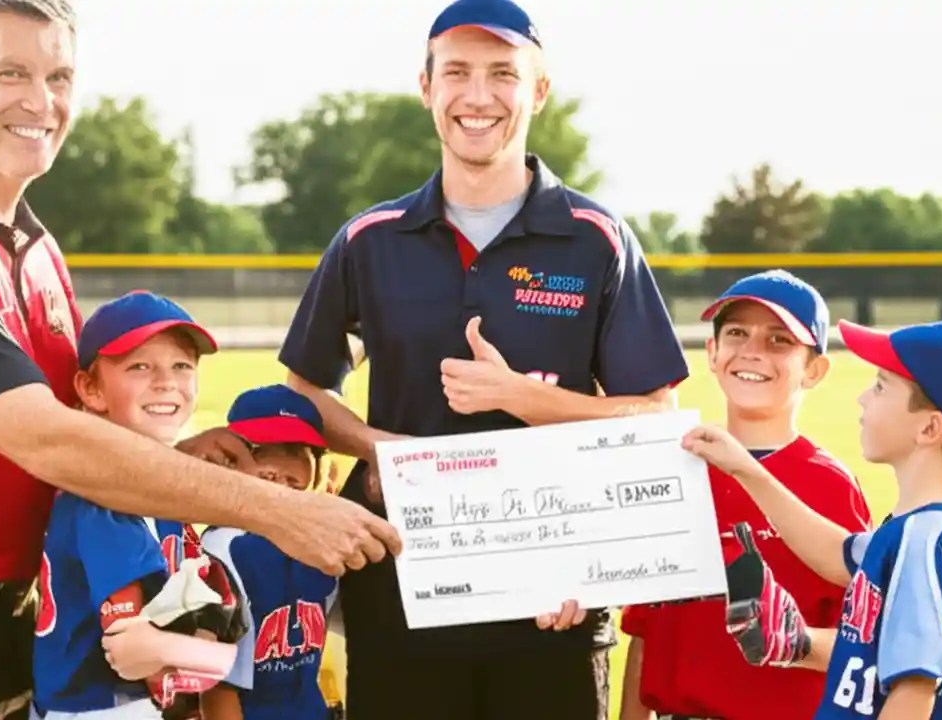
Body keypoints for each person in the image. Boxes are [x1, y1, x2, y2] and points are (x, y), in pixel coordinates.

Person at [0, 2, 399, 718]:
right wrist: (279, 512)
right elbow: (51, 440)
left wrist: (182, 454)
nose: (40, 101)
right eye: (10, 72)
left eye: (59, 76)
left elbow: (82, 421)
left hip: (15, 614)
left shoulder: (36, 247)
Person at [277, 1, 690, 716]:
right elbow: (304, 391)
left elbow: (654, 415)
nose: (477, 96)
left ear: (538, 91)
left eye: (503, 73)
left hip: (554, 590)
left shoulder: (596, 238)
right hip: (403, 579)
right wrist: (386, 451)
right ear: (426, 86)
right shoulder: (369, 240)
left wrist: (523, 398)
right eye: (457, 72)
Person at [683, 319, 942, 719]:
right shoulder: (920, 528)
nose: (862, 398)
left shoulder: (921, 541)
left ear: (929, 428)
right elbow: (837, 555)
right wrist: (746, 469)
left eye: (879, 386)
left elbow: (914, 693)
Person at [618, 270, 873, 720]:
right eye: (737, 333)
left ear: (814, 370)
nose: (753, 351)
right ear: (712, 353)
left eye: (779, 340)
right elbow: (644, 633)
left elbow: (866, 642)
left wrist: (792, 641)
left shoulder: (828, 485)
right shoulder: (675, 470)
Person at [32, 291, 248, 720]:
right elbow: (131, 650)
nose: (166, 381)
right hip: (98, 709)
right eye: (140, 366)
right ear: (91, 389)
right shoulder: (105, 499)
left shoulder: (158, 487)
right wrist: (232, 658)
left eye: (182, 365)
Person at [199, 384, 340, 720]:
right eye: (261, 451)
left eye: (294, 452)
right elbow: (218, 683)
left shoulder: (326, 545)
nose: (279, 469)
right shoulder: (224, 549)